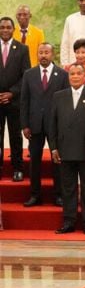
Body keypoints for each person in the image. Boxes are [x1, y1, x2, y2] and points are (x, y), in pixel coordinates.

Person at [51, 64, 85, 234]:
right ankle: (68, 222)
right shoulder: (58, 96)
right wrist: (53, 148)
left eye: (78, 73)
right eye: (72, 74)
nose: (75, 76)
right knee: (68, 188)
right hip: (65, 150)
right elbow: (52, 125)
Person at [20, 42, 67, 206]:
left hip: (56, 126)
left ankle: (59, 195)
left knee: (57, 161)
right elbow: (24, 101)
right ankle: (35, 195)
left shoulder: (62, 75)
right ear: (37, 54)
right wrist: (24, 125)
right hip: (34, 125)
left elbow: (66, 103)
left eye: (46, 52)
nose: (43, 55)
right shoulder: (29, 74)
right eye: (41, 52)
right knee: (34, 161)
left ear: (52, 54)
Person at [0, 16, 30, 181]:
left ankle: (18, 168)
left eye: (8, 27)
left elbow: (26, 75)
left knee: (15, 136)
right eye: (2, 27)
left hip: (15, 100)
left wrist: (11, 93)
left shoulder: (22, 49)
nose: (5, 30)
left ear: (13, 29)